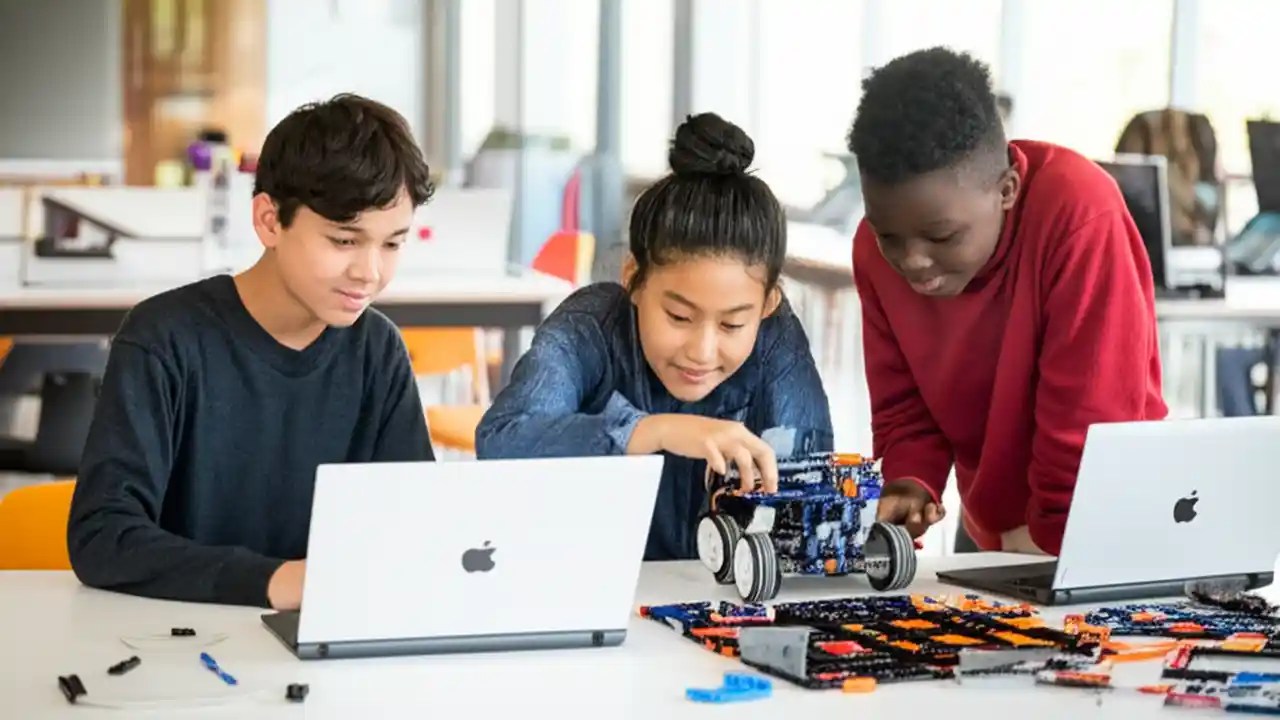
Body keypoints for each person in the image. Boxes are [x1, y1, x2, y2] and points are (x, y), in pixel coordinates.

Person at [68, 94, 437, 609]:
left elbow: (417, 524)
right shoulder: (163, 339)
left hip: (323, 641)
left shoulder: (377, 351)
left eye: (392, 244)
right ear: (268, 221)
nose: (370, 272)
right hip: (175, 637)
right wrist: (274, 581)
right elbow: (102, 537)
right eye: (344, 241)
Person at [847, 47, 1167, 556]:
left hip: (1100, 524)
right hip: (993, 530)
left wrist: (1057, 557)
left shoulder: (1079, 213)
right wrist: (910, 479)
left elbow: (1089, 420)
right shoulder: (873, 249)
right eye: (889, 235)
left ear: (1008, 189)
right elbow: (905, 407)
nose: (913, 262)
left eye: (942, 237)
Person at [476, 112, 833, 561]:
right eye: (679, 317)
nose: (702, 351)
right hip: (586, 590)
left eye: (732, 325)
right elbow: (503, 442)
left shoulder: (777, 340)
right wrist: (653, 431)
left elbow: (808, 487)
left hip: (722, 601)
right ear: (633, 278)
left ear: (767, 304)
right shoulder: (590, 326)